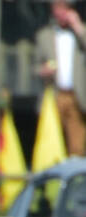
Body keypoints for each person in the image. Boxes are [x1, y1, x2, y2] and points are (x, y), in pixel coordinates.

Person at [36, 0, 86, 157]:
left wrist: (78, 27)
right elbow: (35, 66)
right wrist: (43, 71)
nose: (62, 12)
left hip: (76, 96)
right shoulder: (44, 36)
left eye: (65, 8)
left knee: (77, 146)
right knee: (52, 143)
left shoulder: (80, 33)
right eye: (58, 7)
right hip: (55, 95)